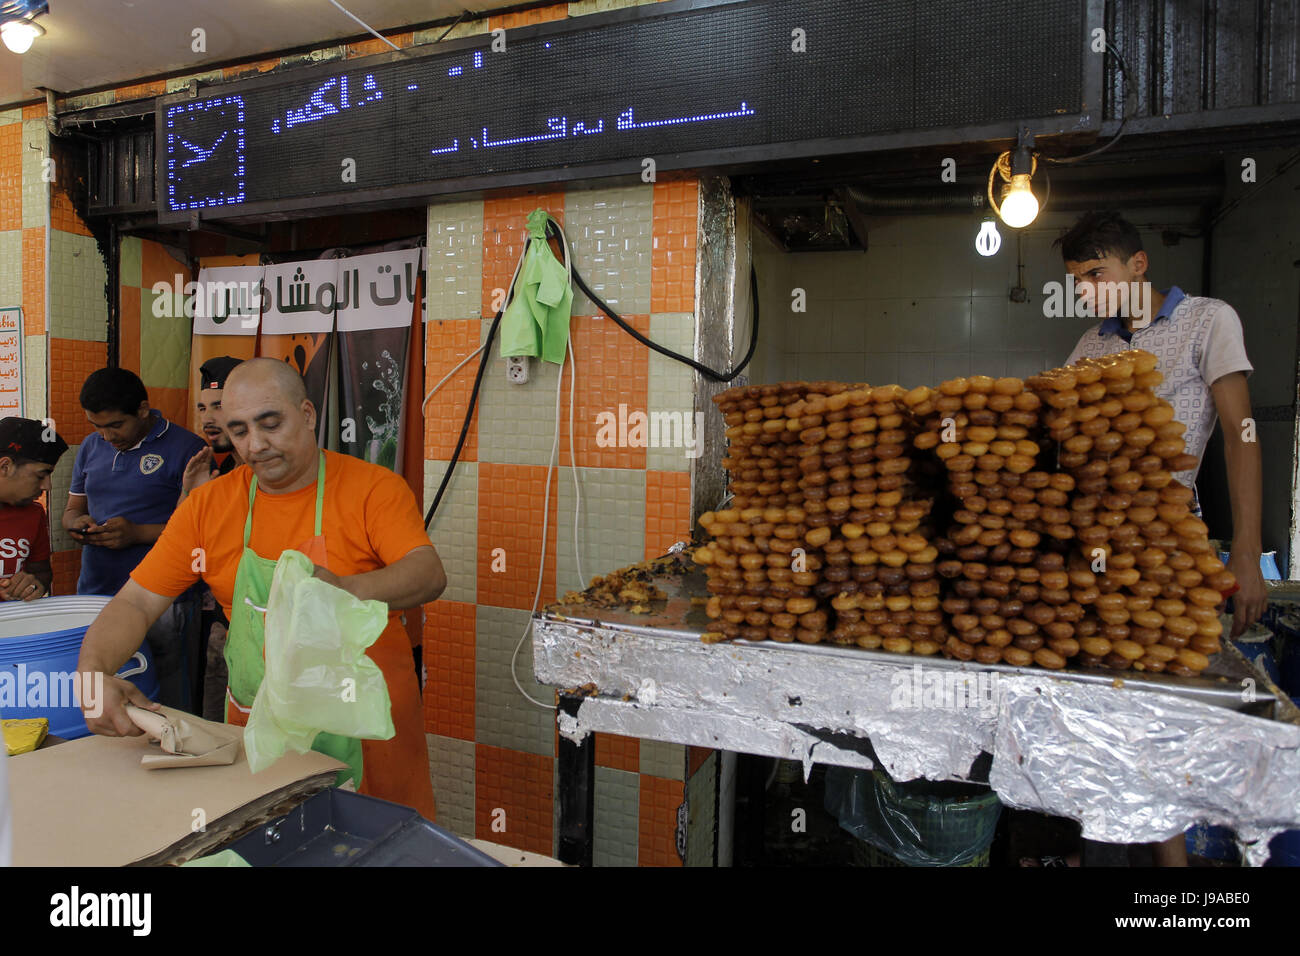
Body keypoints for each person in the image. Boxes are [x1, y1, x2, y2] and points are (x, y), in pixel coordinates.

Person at [75, 359, 445, 820]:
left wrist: (345, 589)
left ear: (307, 415)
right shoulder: (208, 505)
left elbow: (428, 572)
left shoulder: (374, 489)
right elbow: (136, 601)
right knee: (269, 837)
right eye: (239, 431)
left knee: (379, 839)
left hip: (363, 718)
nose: (256, 445)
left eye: (270, 424)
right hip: (259, 719)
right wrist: (92, 675)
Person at [1057, 210, 1266, 866]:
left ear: (1137, 265)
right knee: (1099, 723)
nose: (1087, 291)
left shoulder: (1207, 321)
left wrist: (1248, 557)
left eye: (1095, 274)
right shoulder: (1092, 346)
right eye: (1076, 281)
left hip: (1165, 546)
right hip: (1093, 549)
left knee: (1155, 721)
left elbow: (1241, 435)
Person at [62, 368, 208, 711]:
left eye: (115, 425)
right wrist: (77, 524)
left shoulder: (188, 448)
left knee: (168, 694)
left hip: (164, 597)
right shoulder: (90, 446)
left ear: (143, 409)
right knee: (105, 685)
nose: (106, 436)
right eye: (96, 426)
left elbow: (199, 529)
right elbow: (71, 509)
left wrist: (136, 534)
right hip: (97, 592)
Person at [181, 356, 244, 719]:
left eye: (218, 406)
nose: (207, 418)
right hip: (221, 619)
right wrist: (192, 496)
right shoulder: (218, 470)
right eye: (202, 407)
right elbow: (186, 550)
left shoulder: (272, 473)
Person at [0, 417, 68, 601]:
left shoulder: (33, 514)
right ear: (5, 467)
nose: (47, 486)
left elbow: (41, 572)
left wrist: (32, 585)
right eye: (41, 475)